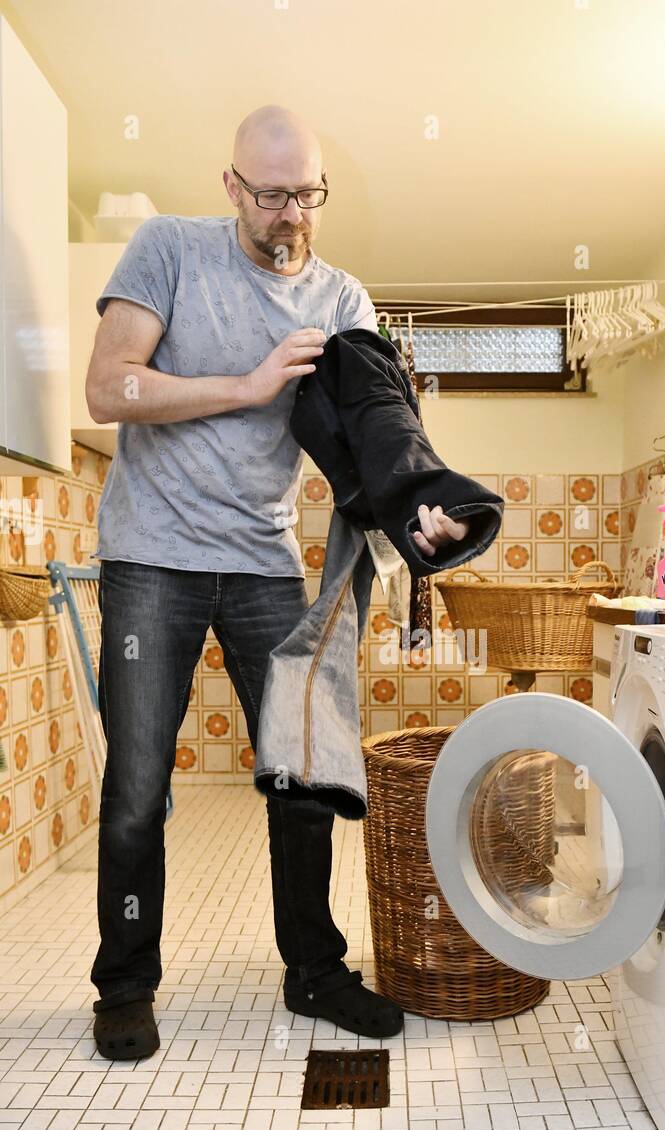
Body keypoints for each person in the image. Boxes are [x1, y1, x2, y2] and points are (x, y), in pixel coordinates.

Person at [84, 105, 468, 1061]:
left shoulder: (342, 297)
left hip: (263, 565)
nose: (291, 214)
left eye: (307, 194)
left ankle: (314, 970)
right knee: (137, 788)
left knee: (303, 774)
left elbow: (379, 426)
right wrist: (249, 385)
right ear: (231, 187)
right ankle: (125, 986)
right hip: (151, 559)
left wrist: (420, 501)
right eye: (271, 195)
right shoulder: (169, 248)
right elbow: (106, 388)